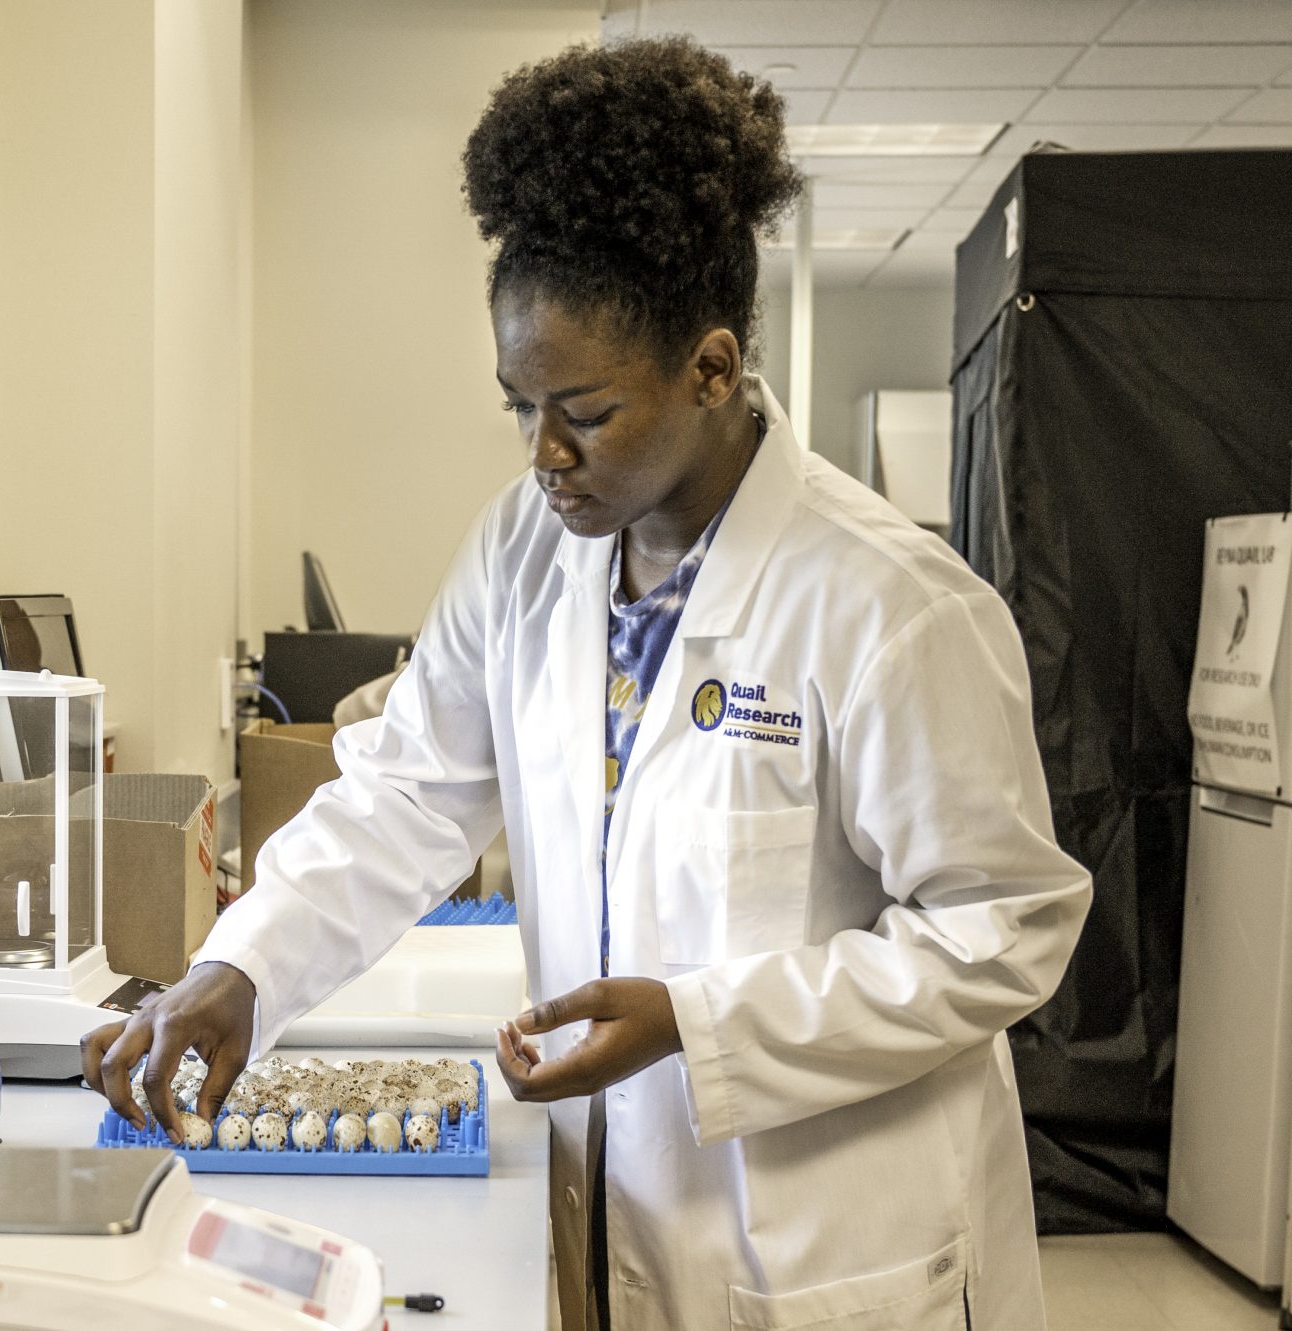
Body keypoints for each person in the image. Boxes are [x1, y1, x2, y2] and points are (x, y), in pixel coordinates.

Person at [83, 36, 1090, 1331]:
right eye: (519, 407)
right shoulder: (523, 552)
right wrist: (243, 970)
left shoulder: (890, 602)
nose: (546, 454)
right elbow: (406, 797)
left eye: (588, 411)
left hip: (837, 1249)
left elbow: (1005, 927)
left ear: (713, 369)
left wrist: (700, 1023)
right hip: (623, 1215)